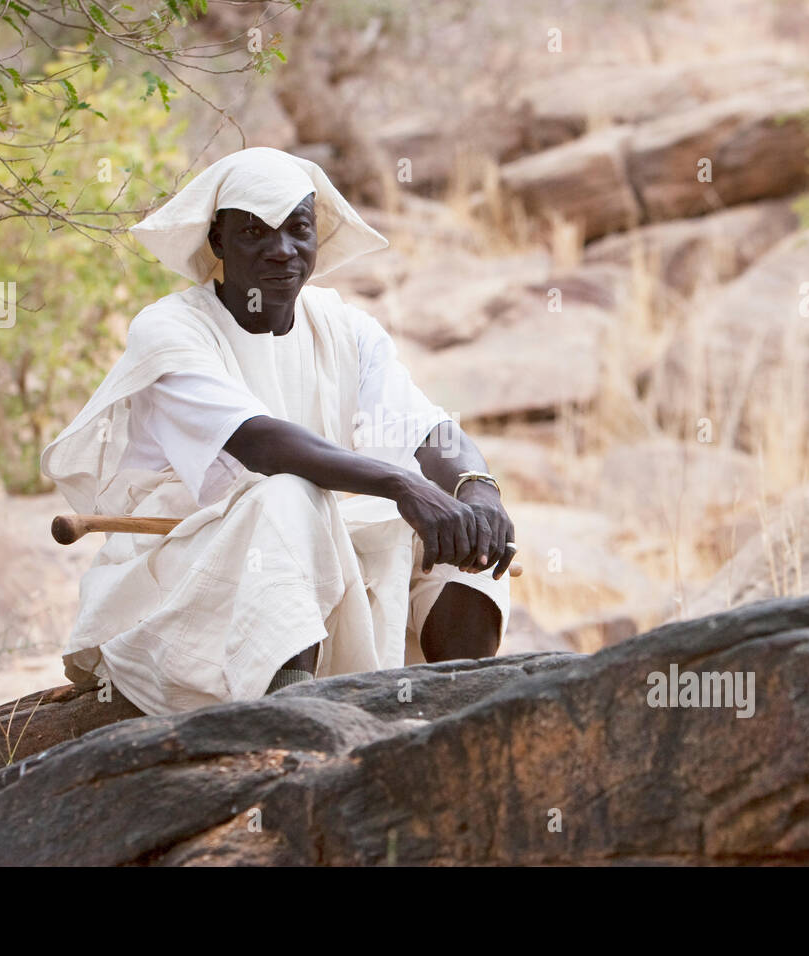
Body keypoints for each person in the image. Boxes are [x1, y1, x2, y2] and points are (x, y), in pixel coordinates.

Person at [40, 147, 517, 715]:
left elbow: (425, 426)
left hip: (314, 552)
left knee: (467, 523)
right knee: (290, 492)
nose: (281, 251)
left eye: (298, 229)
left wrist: (475, 485)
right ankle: (291, 718)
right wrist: (402, 485)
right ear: (218, 243)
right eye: (253, 232)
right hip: (189, 574)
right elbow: (263, 444)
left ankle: (463, 710)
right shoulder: (170, 329)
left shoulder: (344, 327)